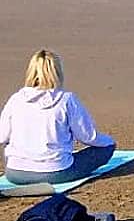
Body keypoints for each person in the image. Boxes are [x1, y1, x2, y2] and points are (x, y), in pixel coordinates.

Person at [0, 50, 117, 185]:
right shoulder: (66, 99)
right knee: (106, 148)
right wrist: (109, 142)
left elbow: (2, 136)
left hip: (15, 173)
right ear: (57, 72)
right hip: (55, 172)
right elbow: (88, 137)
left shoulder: (16, 99)